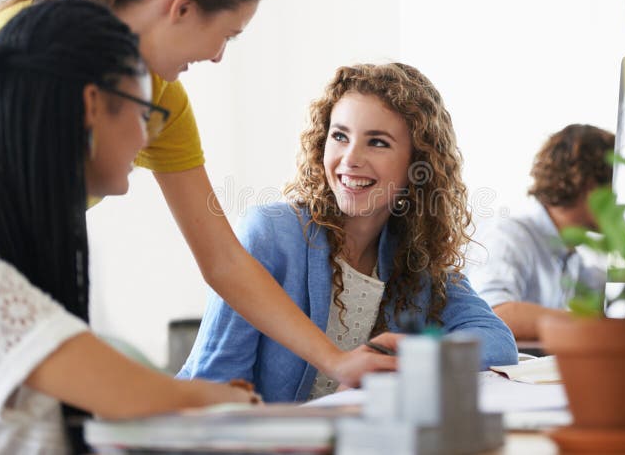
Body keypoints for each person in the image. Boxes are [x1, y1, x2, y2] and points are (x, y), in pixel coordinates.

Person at [0, 0, 395, 385]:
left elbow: (223, 260)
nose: (219, 56)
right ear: (181, 8)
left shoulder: (162, 96)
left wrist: (334, 360)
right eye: (227, 35)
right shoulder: (3, 63)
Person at [0, 0, 261, 455]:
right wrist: (225, 398)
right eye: (143, 114)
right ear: (92, 105)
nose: (146, 138)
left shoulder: (18, 251)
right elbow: (138, 398)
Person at [178, 63, 518, 402]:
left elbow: (498, 342)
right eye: (340, 136)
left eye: (378, 143)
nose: (351, 158)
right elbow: (216, 386)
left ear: (418, 166)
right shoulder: (270, 234)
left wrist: (409, 361)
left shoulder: (415, 259)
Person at [464, 124, 615, 340]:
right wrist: (599, 325)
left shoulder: (571, 256)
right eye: (615, 187)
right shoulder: (509, 235)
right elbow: (494, 314)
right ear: (590, 186)